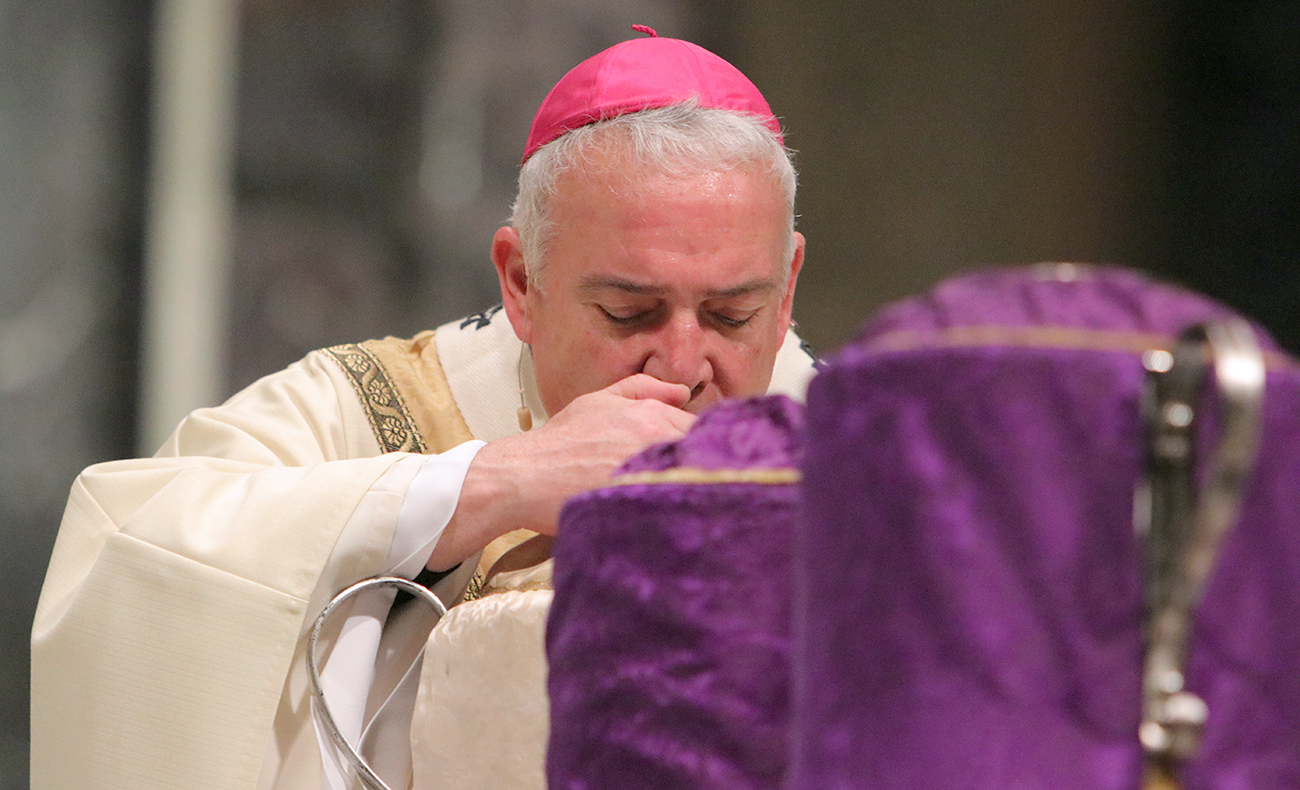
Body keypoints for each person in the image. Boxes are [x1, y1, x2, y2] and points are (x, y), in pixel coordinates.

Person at [30, 27, 815, 790]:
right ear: (520, 283)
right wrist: (483, 485)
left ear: (785, 292)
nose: (682, 367)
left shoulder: (858, 457)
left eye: (732, 316)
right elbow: (120, 548)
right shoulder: (368, 408)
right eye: (627, 312)